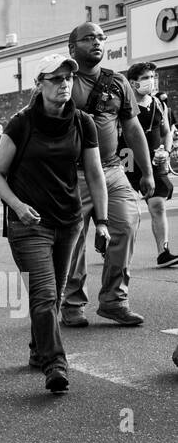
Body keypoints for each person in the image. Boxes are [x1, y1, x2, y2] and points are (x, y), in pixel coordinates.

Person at [0, 54, 108, 394]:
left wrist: (101, 222)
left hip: (69, 222)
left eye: (68, 77)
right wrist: (19, 206)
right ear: (39, 84)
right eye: (55, 79)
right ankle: (55, 363)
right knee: (44, 295)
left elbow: (95, 175)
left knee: (52, 297)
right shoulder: (21, 123)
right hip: (29, 224)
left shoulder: (83, 122)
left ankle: (36, 350)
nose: (64, 84)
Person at [62, 22, 152, 326]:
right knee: (74, 240)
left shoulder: (117, 82)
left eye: (101, 37)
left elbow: (133, 129)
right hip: (71, 175)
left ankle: (114, 300)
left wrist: (147, 172)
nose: (97, 42)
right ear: (73, 47)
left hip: (113, 170)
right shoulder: (63, 81)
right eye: (89, 38)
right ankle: (72, 302)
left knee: (125, 226)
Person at [124, 61, 176, 267]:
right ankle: (111, 245)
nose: (151, 81)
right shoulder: (124, 106)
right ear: (133, 83)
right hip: (126, 159)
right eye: (145, 78)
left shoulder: (158, 104)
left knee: (157, 205)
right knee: (125, 211)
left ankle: (163, 252)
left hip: (154, 162)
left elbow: (166, 133)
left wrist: (166, 150)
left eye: (152, 77)